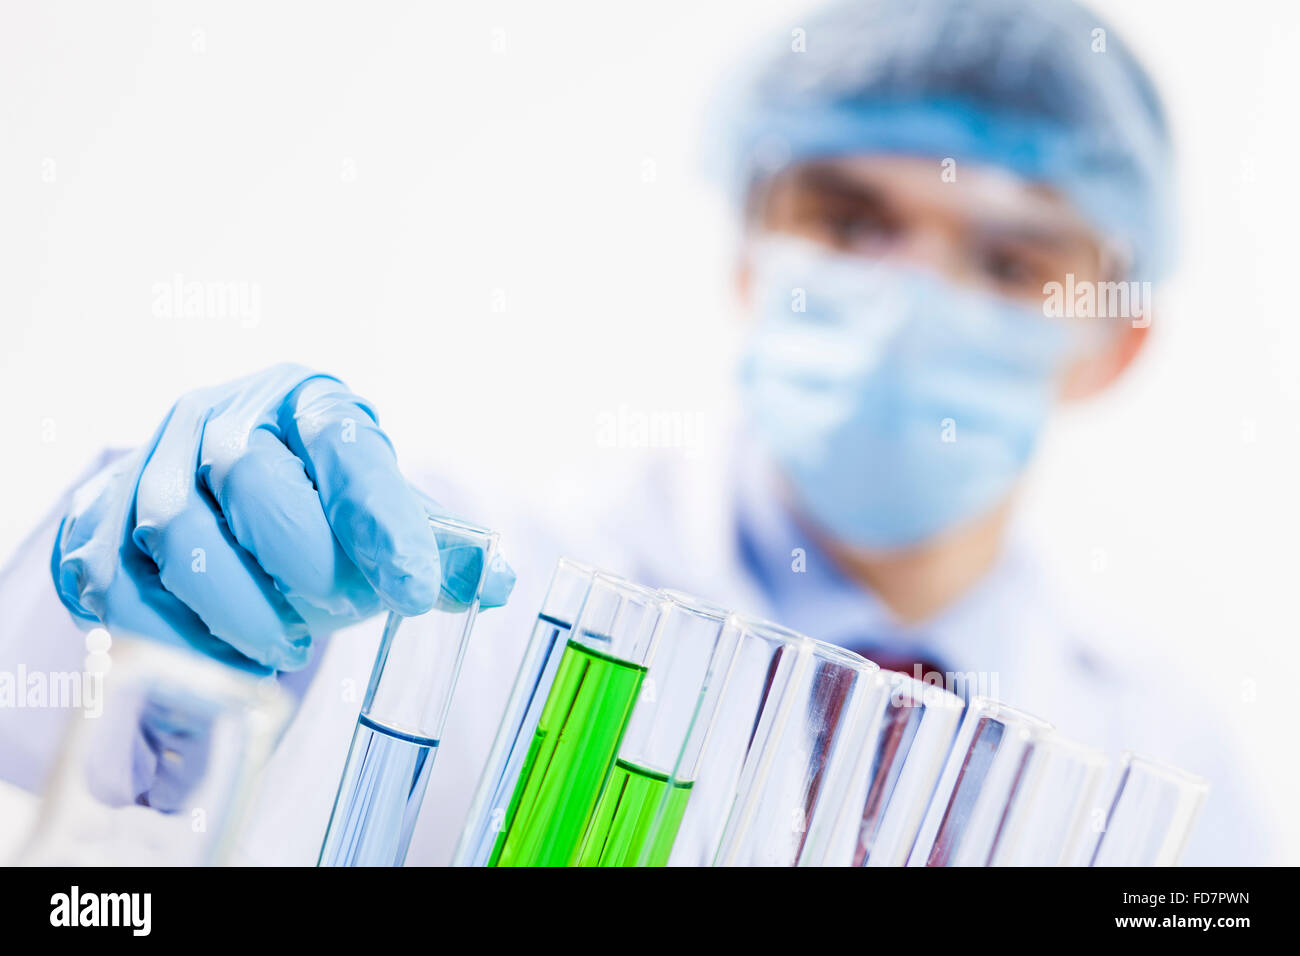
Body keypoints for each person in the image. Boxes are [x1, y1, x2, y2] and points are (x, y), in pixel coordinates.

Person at [0, 0, 1273, 864]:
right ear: (749, 251)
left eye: (1011, 256)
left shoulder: (1168, 768)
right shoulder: (439, 582)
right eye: (850, 219)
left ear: (1116, 338)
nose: (912, 298)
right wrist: (114, 589)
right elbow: (53, 745)